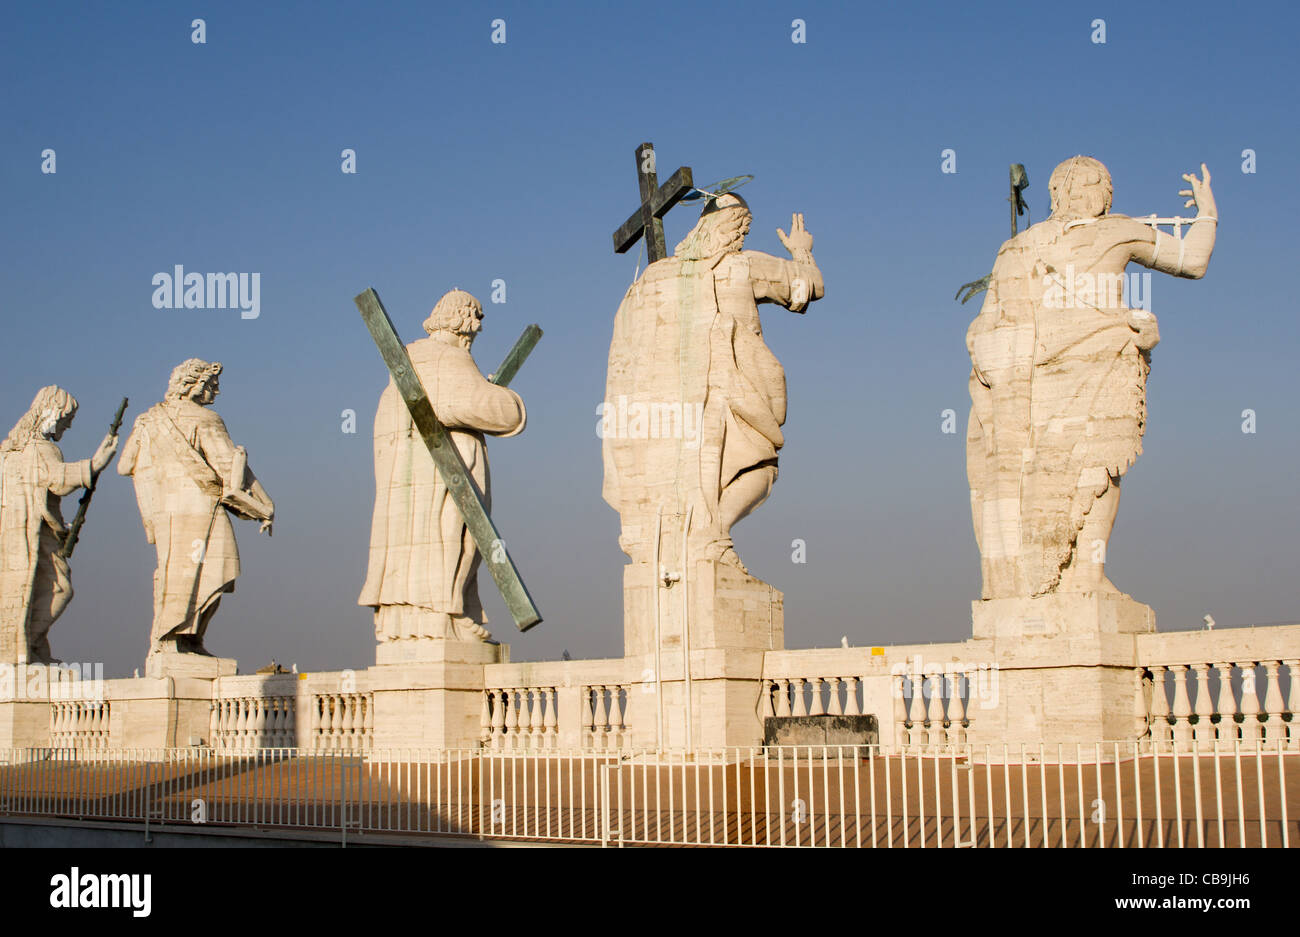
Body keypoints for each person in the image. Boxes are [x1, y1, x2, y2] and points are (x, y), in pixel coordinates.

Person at [966, 156, 1217, 599]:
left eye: (1094, 186)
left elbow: (985, 332)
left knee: (1087, 468)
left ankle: (1083, 575)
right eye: (1088, 185)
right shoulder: (1104, 232)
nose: (1092, 194)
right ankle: (1081, 576)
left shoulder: (1023, 247)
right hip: (1067, 371)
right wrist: (1208, 211)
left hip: (1079, 366)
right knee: (1091, 466)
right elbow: (1192, 260)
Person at [603, 193, 823, 571]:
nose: (743, 237)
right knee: (763, 466)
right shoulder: (741, 266)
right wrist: (802, 251)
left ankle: (694, 538)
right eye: (743, 229)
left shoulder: (649, 281)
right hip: (726, 395)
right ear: (733, 228)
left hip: (660, 412)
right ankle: (715, 534)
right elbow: (808, 287)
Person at [359, 289, 526, 644]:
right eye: (476, 318)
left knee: (430, 544)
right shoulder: (445, 358)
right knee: (458, 539)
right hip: (443, 479)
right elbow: (475, 405)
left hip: (413, 482)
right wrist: (512, 403)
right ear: (461, 319)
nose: (478, 328)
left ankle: (420, 620)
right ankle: (445, 615)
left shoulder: (405, 364)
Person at [118, 359, 273, 659]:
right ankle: (182, 639)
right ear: (197, 384)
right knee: (220, 567)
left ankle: (176, 642)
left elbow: (125, 465)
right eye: (213, 385)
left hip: (165, 513)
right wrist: (266, 505)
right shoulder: (206, 419)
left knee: (172, 572)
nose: (216, 391)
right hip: (201, 507)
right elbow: (229, 465)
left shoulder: (147, 420)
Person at [0, 386, 117, 663]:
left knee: (36, 592)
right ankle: (29, 645)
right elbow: (58, 479)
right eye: (67, 418)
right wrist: (96, 463)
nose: (69, 424)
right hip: (31, 539)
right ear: (51, 412)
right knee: (60, 588)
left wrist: (57, 525)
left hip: (23, 536)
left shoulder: (9, 452)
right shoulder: (41, 449)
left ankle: (28, 648)